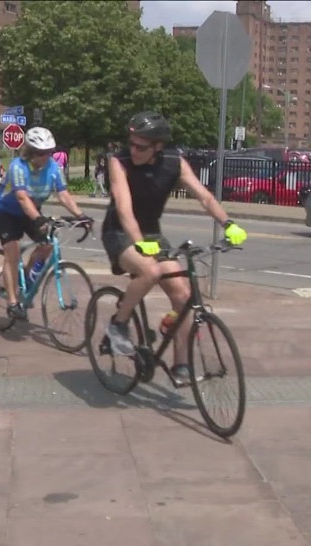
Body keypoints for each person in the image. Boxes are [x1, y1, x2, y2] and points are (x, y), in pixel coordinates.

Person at [101, 111, 247, 385]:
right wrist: (139, 243)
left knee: (184, 295)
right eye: (131, 143)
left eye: (141, 146)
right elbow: (123, 206)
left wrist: (229, 224)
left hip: (152, 232)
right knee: (150, 271)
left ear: (158, 147)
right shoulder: (119, 161)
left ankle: (181, 365)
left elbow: (204, 196)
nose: (133, 150)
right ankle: (118, 325)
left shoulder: (174, 162)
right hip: (119, 231)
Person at [0, 126, 86, 320]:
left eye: (48, 152)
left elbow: (63, 194)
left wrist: (80, 215)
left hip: (31, 211)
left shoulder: (53, 168)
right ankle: (12, 301)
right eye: (41, 153)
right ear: (30, 152)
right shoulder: (18, 166)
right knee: (13, 252)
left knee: (48, 244)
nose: (45, 157)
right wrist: (39, 219)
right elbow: (23, 198)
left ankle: (23, 279)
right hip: (5, 211)